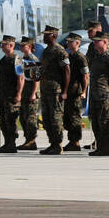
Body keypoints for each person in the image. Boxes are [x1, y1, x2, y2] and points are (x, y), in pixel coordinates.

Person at [86, 32, 109, 156]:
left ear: (105, 42)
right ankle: (100, 146)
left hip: (104, 94)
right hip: (94, 94)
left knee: (104, 121)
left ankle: (106, 147)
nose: (94, 43)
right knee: (95, 121)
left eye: (97, 41)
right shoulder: (96, 57)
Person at [37, 25, 69, 155]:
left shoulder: (60, 51)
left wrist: (65, 91)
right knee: (47, 118)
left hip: (56, 90)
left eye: (47, 34)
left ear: (54, 36)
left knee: (55, 118)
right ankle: (52, 143)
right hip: (45, 89)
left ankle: (58, 144)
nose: (44, 37)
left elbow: (67, 71)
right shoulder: (46, 51)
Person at [0, 35, 23, 154]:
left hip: (12, 95)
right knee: (3, 121)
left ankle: (11, 144)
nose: (2, 46)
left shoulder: (17, 59)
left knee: (10, 120)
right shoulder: (3, 60)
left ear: (11, 45)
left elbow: (20, 78)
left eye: (4, 44)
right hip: (3, 95)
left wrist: (19, 94)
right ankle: (7, 143)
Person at [62, 33, 88, 151]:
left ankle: (75, 141)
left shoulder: (80, 57)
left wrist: (84, 91)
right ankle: (72, 140)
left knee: (75, 117)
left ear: (77, 43)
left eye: (70, 41)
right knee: (68, 116)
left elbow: (85, 76)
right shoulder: (69, 56)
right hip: (69, 91)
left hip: (76, 91)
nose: (68, 43)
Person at [17, 34, 40, 151]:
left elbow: (36, 78)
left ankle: (32, 140)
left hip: (31, 91)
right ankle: (27, 139)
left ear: (30, 46)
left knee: (30, 117)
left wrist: (33, 93)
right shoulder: (22, 59)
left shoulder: (33, 59)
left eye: (24, 45)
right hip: (25, 91)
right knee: (23, 117)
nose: (21, 47)